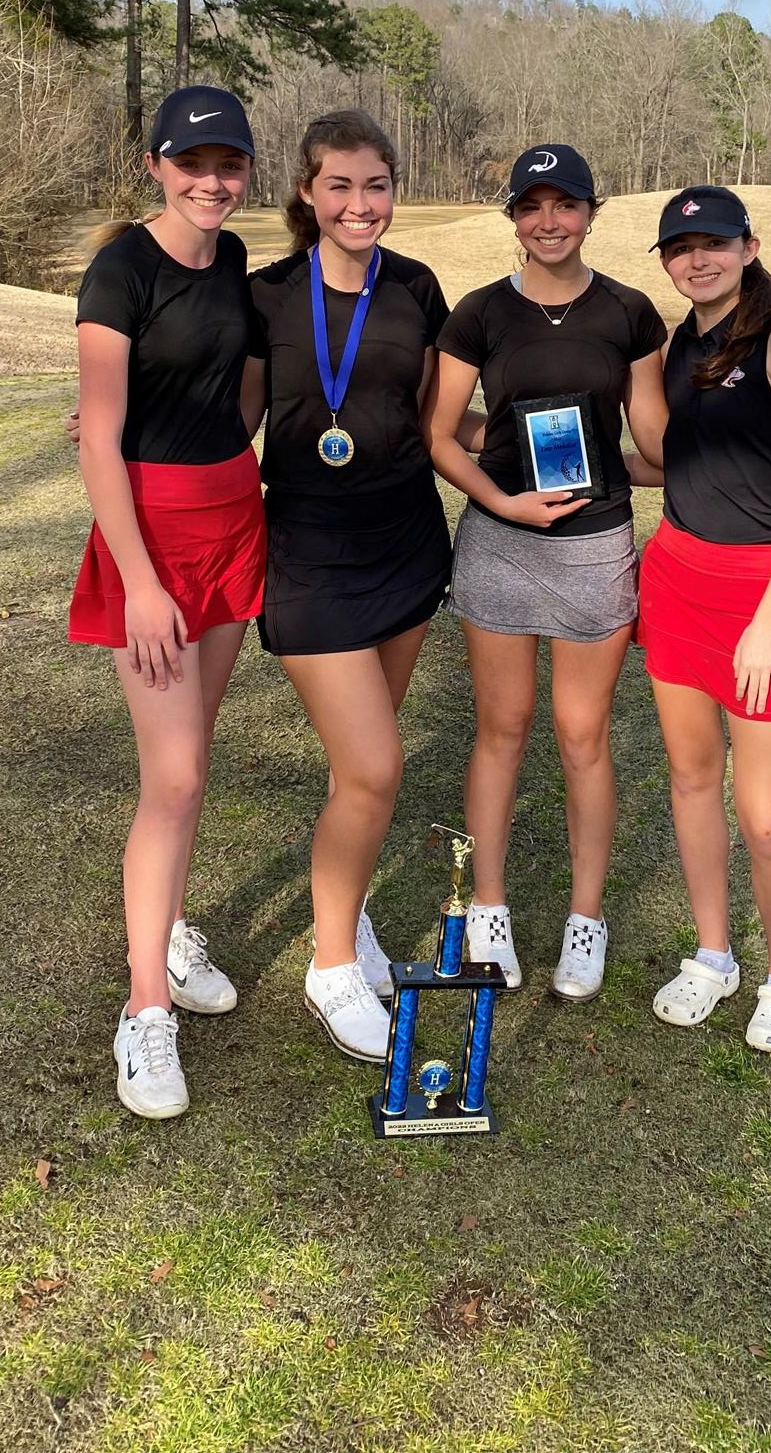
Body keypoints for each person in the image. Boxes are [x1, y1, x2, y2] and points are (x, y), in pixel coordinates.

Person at [249, 110, 468, 1064]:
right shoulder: (266, 296)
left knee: (359, 776)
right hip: (308, 555)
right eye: (338, 185)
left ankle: (352, 914)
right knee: (376, 766)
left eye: (375, 184)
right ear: (307, 192)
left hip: (405, 545)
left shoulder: (418, 286)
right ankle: (331, 965)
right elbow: (234, 417)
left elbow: (434, 417)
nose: (359, 203)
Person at [69, 86, 268, 1121]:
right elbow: (100, 433)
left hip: (234, 521)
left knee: (197, 751)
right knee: (176, 772)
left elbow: (232, 388)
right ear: (156, 164)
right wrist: (139, 578)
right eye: (194, 163)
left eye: (229, 163)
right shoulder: (122, 268)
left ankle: (174, 927)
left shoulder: (232, 258)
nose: (213, 181)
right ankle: (146, 1005)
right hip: (151, 542)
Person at [429, 144, 668, 1002]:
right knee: (504, 727)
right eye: (531, 207)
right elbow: (439, 434)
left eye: (564, 204)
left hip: (597, 549)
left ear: (592, 212)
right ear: (514, 220)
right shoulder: (480, 314)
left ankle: (586, 916)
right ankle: (488, 906)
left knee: (581, 737)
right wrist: (506, 500)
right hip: (500, 543)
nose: (549, 221)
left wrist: (730, 429)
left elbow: (653, 443)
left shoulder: (632, 313)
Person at [629, 185, 771, 1055]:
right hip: (677, 581)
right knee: (688, 779)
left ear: (749, 247)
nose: (696, 260)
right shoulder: (678, 345)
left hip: (765, 599)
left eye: (713, 243)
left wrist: (766, 618)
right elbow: (674, 465)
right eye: (680, 249)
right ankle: (714, 953)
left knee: (765, 815)